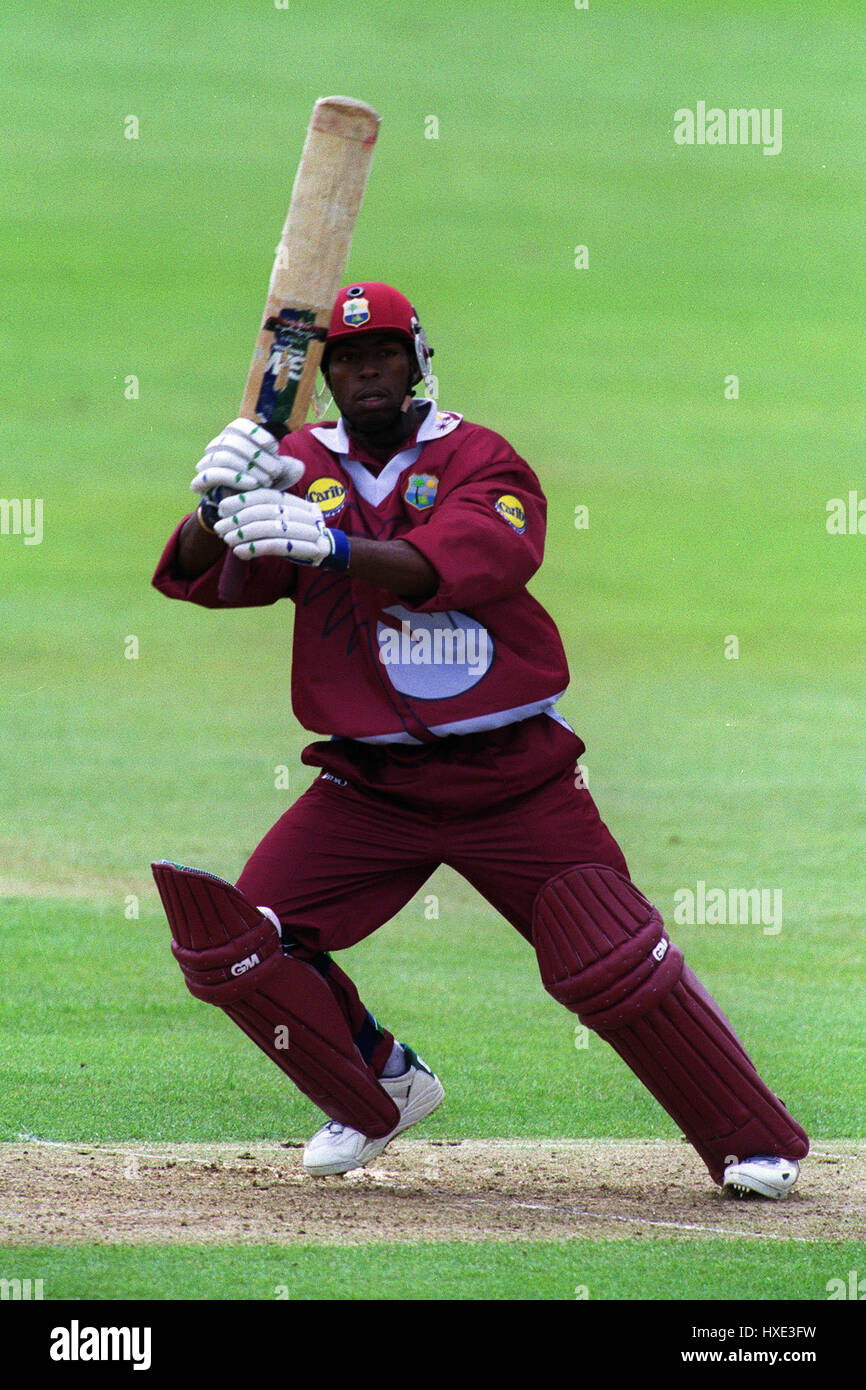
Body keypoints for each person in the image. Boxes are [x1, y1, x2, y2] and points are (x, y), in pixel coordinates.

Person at [152, 281, 808, 1199]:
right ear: (327, 376)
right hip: (370, 787)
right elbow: (199, 577)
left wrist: (329, 546)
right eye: (346, 359)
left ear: (420, 361)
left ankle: (750, 1141)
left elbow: (473, 560)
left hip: (514, 779)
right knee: (241, 946)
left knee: (609, 956)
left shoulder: (478, 455)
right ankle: (378, 1085)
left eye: (384, 353)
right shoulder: (297, 460)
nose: (366, 371)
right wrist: (214, 503)